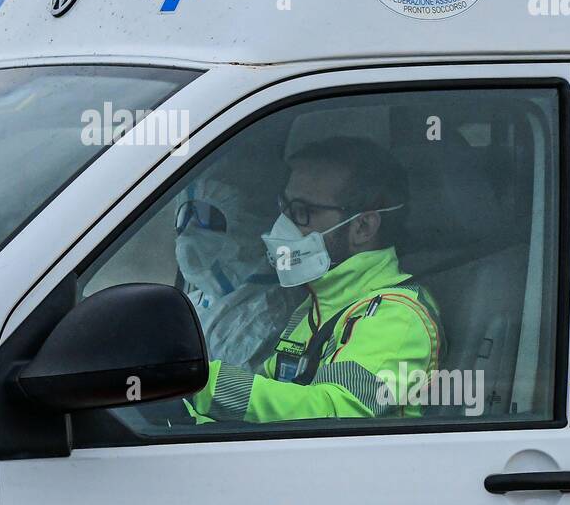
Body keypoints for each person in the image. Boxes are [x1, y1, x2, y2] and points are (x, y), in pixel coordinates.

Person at [188, 136, 442, 423]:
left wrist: (200, 382)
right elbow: (262, 411)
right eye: (283, 206)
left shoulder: (397, 315)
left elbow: (332, 413)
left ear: (362, 227)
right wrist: (179, 416)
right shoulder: (316, 306)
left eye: (302, 211)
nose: (281, 224)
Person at [173, 174, 300, 371]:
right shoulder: (200, 299)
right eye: (185, 214)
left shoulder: (266, 316)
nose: (187, 230)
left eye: (206, 217)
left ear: (247, 228)